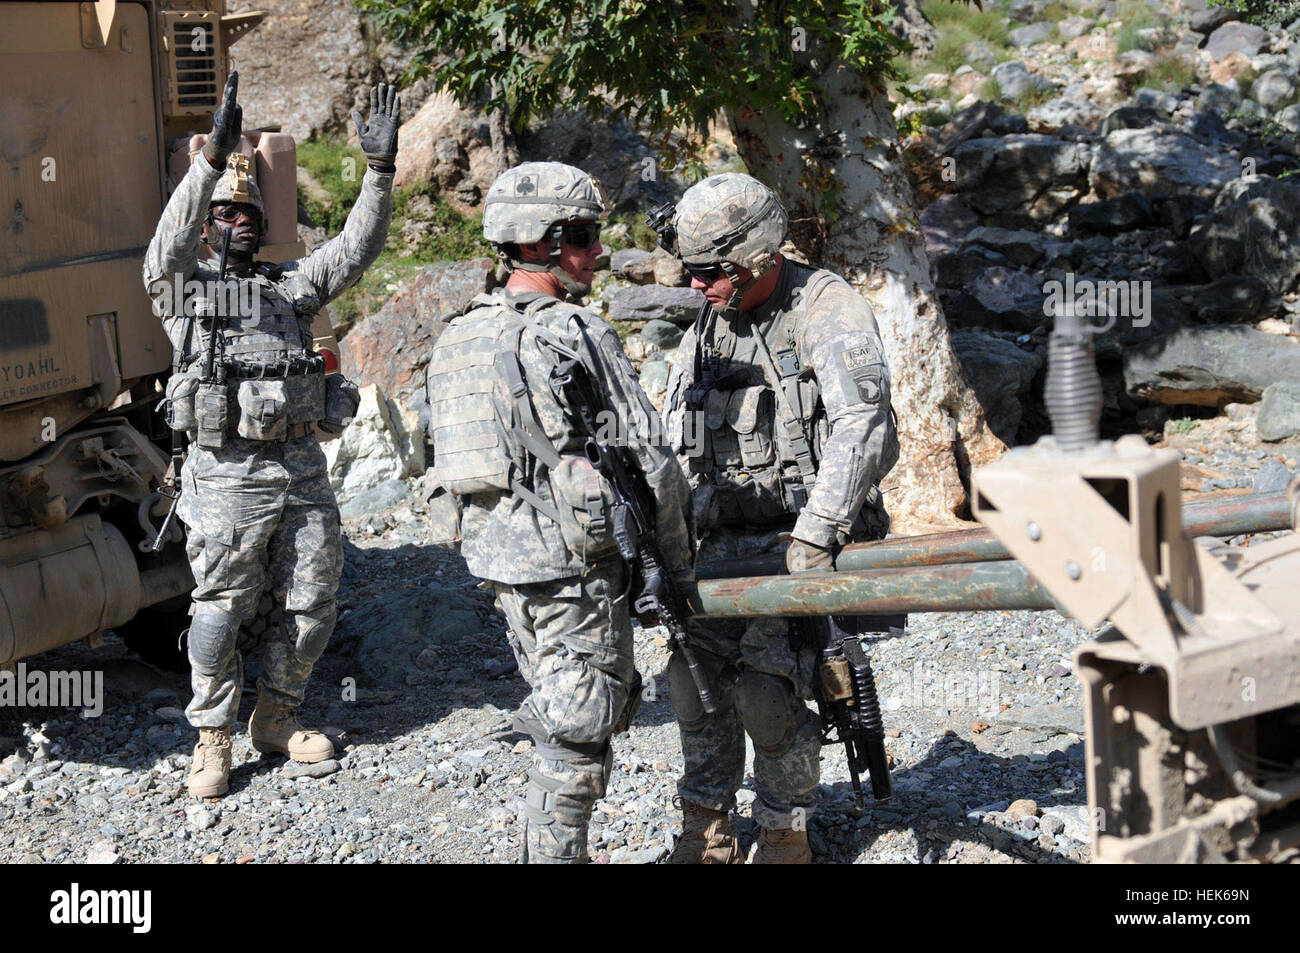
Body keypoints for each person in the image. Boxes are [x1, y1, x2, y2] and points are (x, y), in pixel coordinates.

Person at [425, 162, 693, 862]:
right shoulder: (573, 331)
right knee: (583, 725)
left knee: (569, 703)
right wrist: (678, 562)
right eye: (582, 236)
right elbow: (651, 458)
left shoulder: (459, 334)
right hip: (573, 565)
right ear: (539, 243)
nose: (598, 252)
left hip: (500, 564)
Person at [143, 72, 400, 798]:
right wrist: (210, 159)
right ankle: (212, 738)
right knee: (220, 608)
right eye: (226, 214)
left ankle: (277, 716)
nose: (242, 222)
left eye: (250, 213)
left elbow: (355, 249)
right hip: (225, 478)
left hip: (299, 468)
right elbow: (157, 256)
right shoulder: (187, 295)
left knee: (314, 601)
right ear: (206, 227)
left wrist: (378, 173)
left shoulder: (290, 288)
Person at [658, 173, 899, 863]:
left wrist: (817, 530)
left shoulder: (825, 306)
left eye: (711, 271)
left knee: (767, 689)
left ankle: (783, 829)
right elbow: (674, 433)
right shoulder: (708, 324)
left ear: (758, 256)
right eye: (692, 271)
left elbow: (863, 423)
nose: (698, 286)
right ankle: (706, 828)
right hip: (717, 539)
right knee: (692, 682)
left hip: (799, 535)